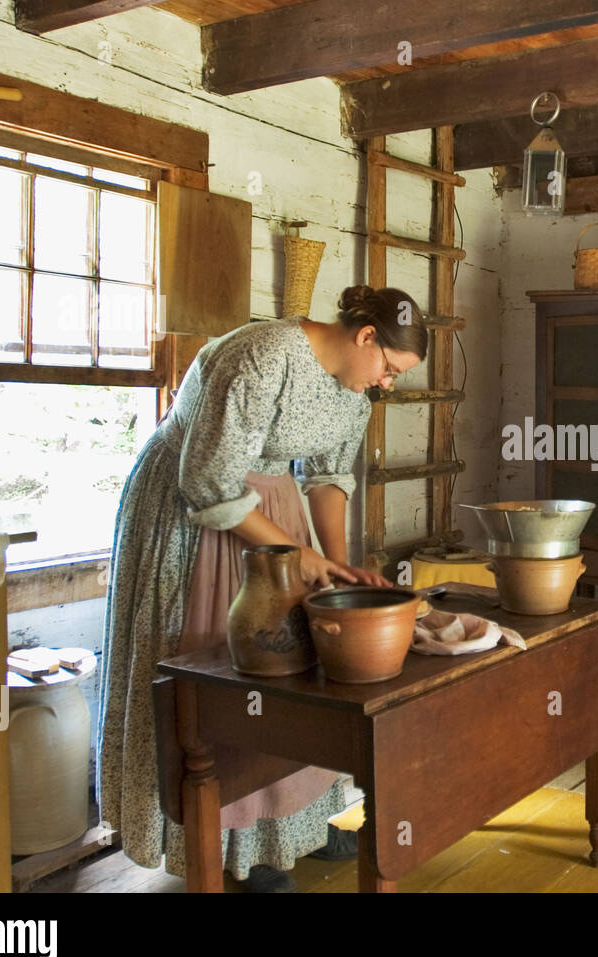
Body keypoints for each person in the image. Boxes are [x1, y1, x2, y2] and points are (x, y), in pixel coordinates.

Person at [98, 284, 426, 892]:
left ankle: (296, 824)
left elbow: (327, 478)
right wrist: (295, 553)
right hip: (195, 514)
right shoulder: (263, 354)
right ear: (365, 337)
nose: (387, 384)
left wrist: (337, 567)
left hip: (273, 515)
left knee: (291, 669)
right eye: (389, 368)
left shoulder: (352, 392)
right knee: (215, 669)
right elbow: (209, 478)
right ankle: (226, 847)